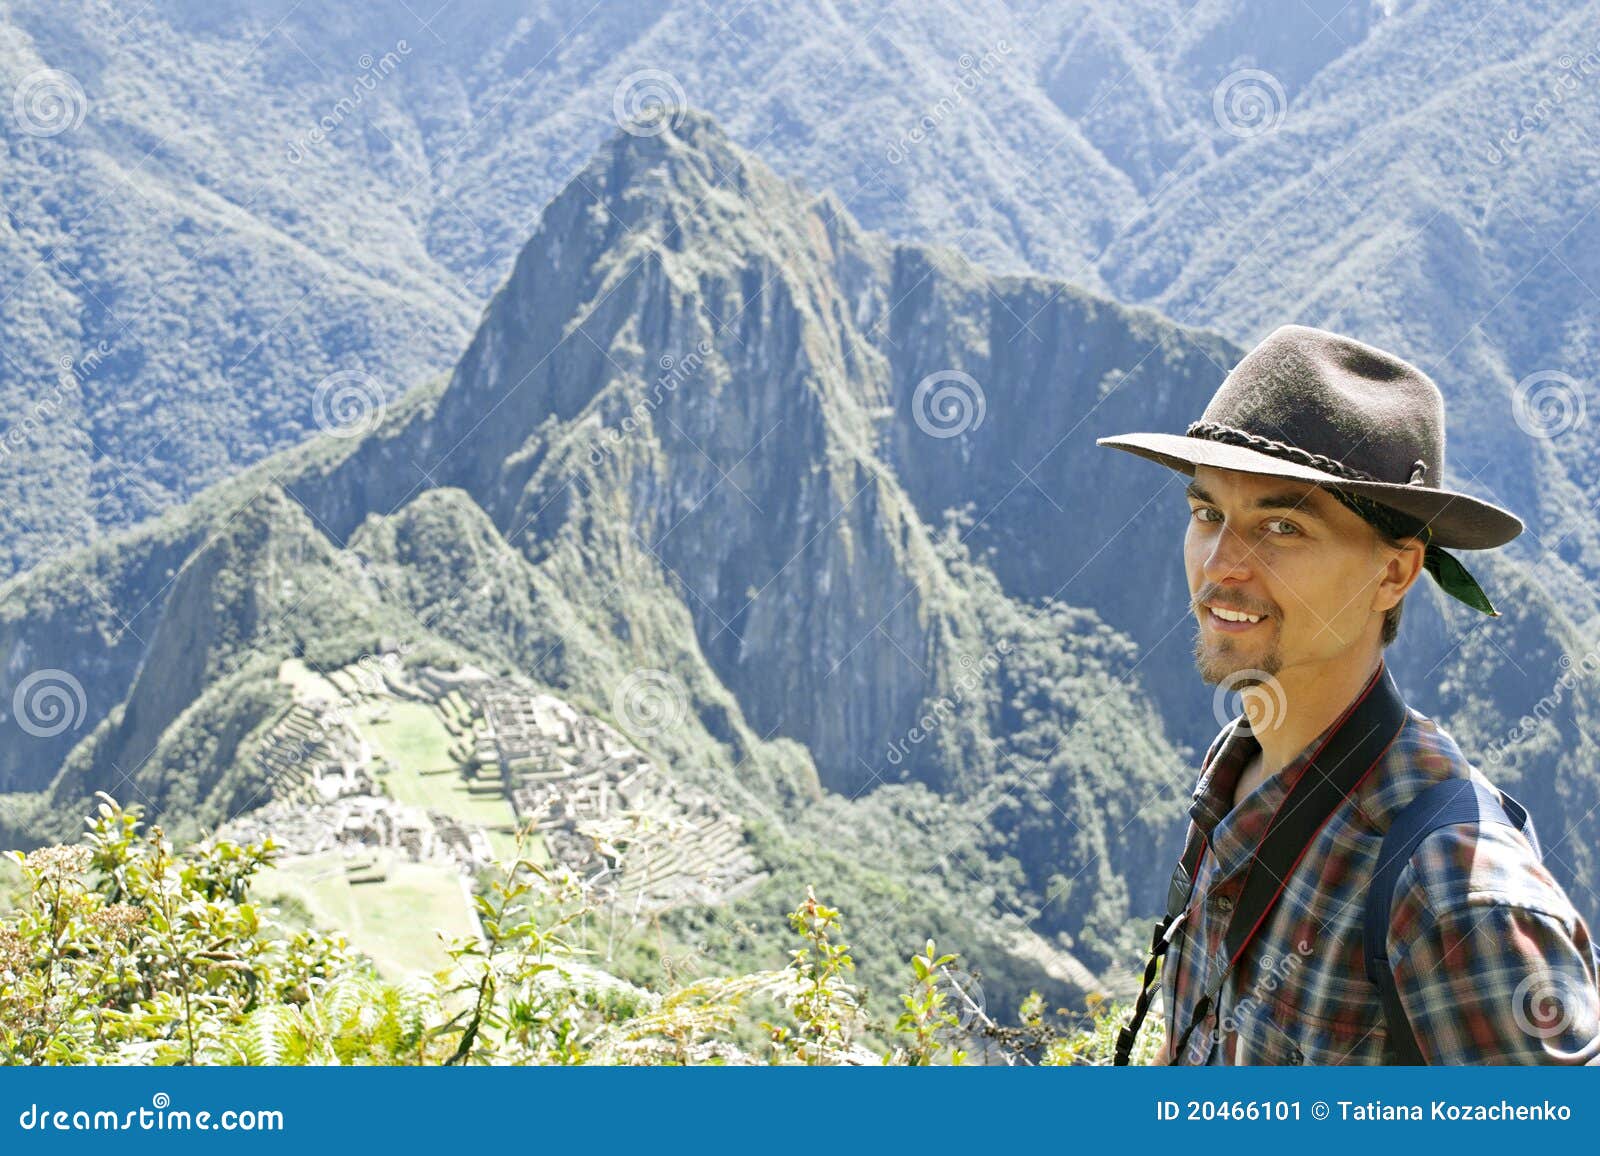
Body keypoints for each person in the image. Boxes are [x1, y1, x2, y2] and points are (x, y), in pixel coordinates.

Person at [1097, 324, 1600, 1064]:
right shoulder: (1239, 768)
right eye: (1207, 514)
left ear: (1394, 574)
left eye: (1282, 525)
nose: (1221, 564)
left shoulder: (1455, 893)